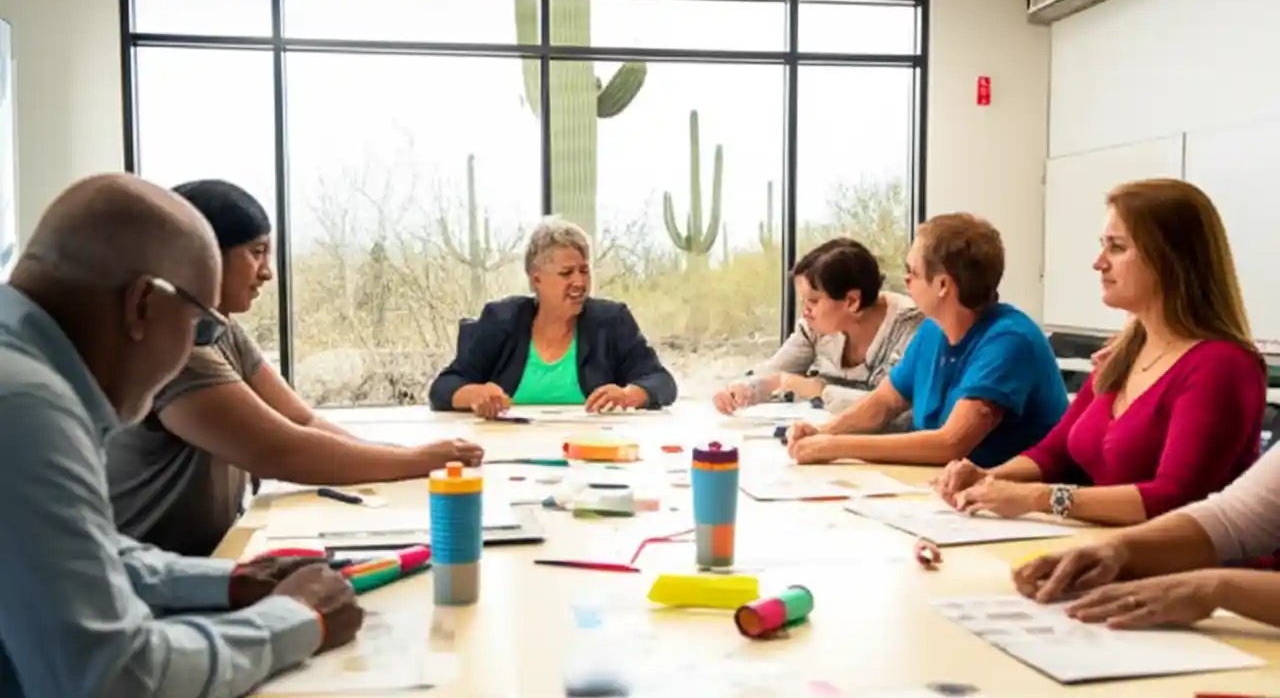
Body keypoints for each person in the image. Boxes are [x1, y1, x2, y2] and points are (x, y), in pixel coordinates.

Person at [0, 174, 362, 697]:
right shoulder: (27, 406)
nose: (198, 346)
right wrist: (298, 618)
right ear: (143, 304)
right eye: (201, 325)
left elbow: (82, 557)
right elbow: (115, 679)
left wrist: (231, 581)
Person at [106, 179, 483, 558]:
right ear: (206, 255)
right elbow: (280, 451)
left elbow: (301, 420)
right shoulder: (179, 348)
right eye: (257, 252)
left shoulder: (223, 329)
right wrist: (417, 461)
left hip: (204, 560)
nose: (267, 272)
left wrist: (410, 457)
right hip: (155, 580)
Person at [935, 179, 1264, 525]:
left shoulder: (1222, 367)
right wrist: (988, 478)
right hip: (1109, 549)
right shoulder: (1124, 353)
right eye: (1102, 245)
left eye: (1117, 247)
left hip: (1188, 572)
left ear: (1172, 260)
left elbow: (1174, 498)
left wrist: (1038, 498)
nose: (1098, 262)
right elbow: (1054, 453)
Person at [785, 212, 1067, 468]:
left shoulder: (1009, 340)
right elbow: (884, 402)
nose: (906, 281)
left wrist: (836, 446)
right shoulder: (933, 330)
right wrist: (823, 432)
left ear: (942, 285)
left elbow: (950, 444)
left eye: (913, 272)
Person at [1012, 443, 1280, 630]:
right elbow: (1232, 517)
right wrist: (1120, 548)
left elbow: (1168, 496)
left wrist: (1220, 588)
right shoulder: (1115, 367)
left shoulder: (1220, 364)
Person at [429, 218, 677, 417]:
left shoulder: (611, 320)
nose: (579, 282)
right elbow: (443, 388)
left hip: (592, 456)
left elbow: (662, 382)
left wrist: (628, 395)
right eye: (566, 273)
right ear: (536, 278)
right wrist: (476, 395)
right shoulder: (501, 320)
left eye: (584, 270)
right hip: (506, 454)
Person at [713, 238, 923, 417]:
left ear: (852, 301)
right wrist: (742, 388)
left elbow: (895, 412)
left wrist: (817, 389)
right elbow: (775, 372)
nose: (805, 311)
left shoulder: (911, 330)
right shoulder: (814, 328)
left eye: (813, 301)